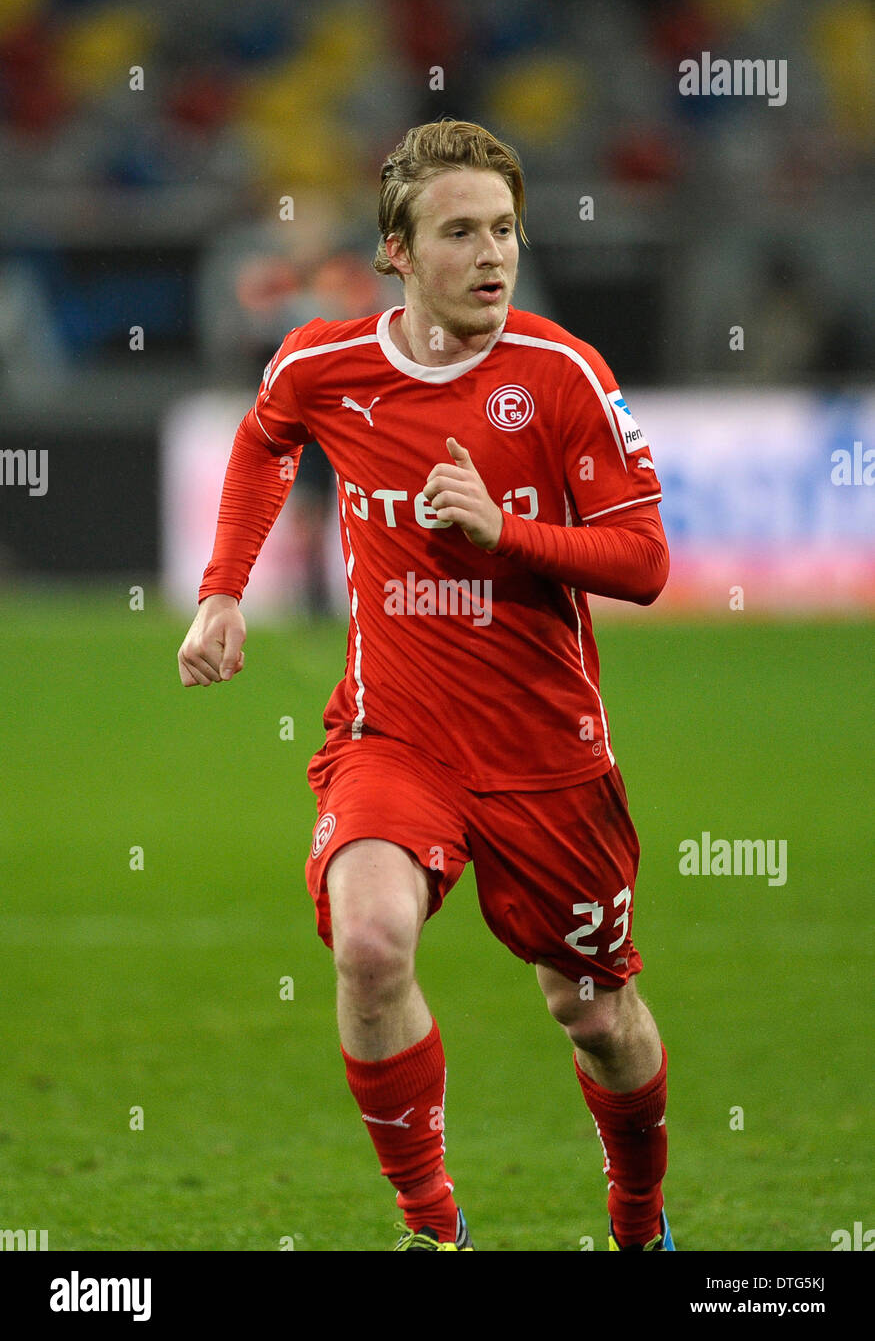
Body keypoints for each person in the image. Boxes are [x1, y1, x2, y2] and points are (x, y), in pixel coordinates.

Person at [177, 119, 673, 1253]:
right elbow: (264, 441)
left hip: (546, 754)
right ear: (395, 252)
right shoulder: (323, 364)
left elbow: (643, 560)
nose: (491, 255)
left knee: (590, 1009)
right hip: (393, 735)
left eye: (503, 230)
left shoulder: (560, 374)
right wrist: (221, 590)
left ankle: (639, 1224)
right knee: (368, 945)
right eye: (460, 232)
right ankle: (429, 1226)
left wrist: (509, 531)